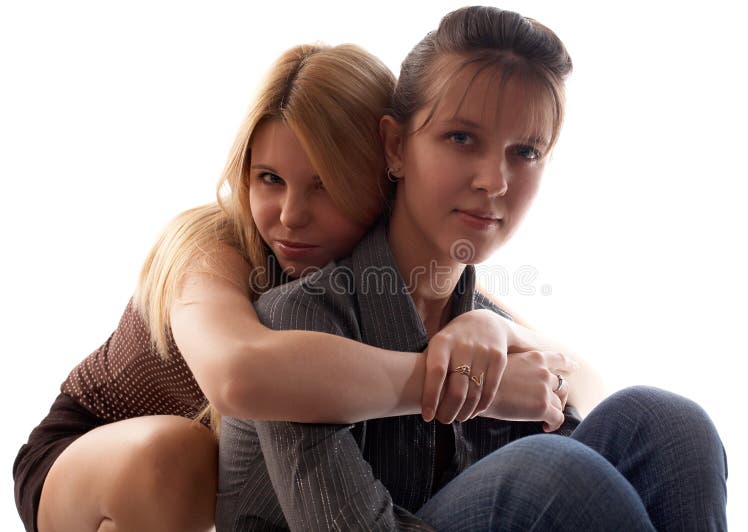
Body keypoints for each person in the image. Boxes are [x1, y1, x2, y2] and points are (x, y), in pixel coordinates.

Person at [13, 42, 597, 532]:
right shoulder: (213, 246)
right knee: (175, 456)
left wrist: (486, 328)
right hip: (96, 457)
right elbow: (241, 375)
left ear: (386, 175)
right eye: (269, 179)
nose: (291, 216)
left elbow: (585, 380)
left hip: (220, 490)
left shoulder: (379, 269)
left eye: (325, 186)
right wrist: (462, 384)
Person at [216, 6, 729, 531]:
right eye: (461, 138)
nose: (495, 180)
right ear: (396, 146)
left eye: (525, 151)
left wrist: (499, 330)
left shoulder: (483, 329)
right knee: (550, 473)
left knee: (668, 425)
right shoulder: (303, 320)